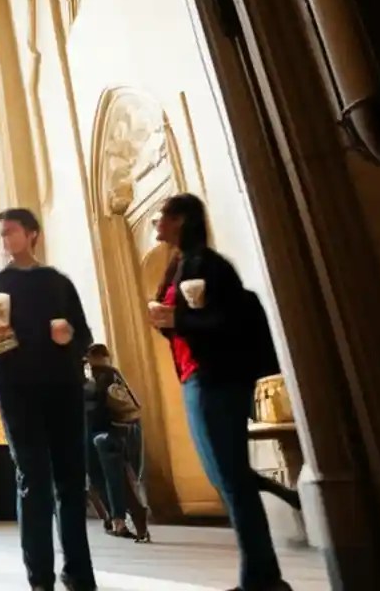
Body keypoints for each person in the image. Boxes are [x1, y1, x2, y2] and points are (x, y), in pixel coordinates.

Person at [147, 193, 292, 591]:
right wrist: (169, 321)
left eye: (161, 217)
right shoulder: (179, 264)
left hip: (216, 378)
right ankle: (262, 576)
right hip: (198, 377)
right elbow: (190, 322)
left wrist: (176, 317)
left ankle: (262, 580)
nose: (156, 224)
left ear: (179, 220)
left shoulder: (207, 264)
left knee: (232, 480)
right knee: (227, 477)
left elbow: (223, 321)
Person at [0, 208, 97, 591]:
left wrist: (69, 335)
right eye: (1, 234)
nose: (5, 240)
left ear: (32, 234)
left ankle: (80, 575)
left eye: (11, 232)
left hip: (63, 387)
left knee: (71, 482)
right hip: (16, 389)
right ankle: (40, 579)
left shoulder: (57, 282)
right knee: (33, 481)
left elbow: (85, 336)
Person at [83, 344, 149, 542]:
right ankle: (117, 519)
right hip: (108, 432)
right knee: (112, 479)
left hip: (105, 432)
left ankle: (117, 519)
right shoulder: (105, 375)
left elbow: (98, 398)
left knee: (110, 479)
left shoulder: (105, 375)